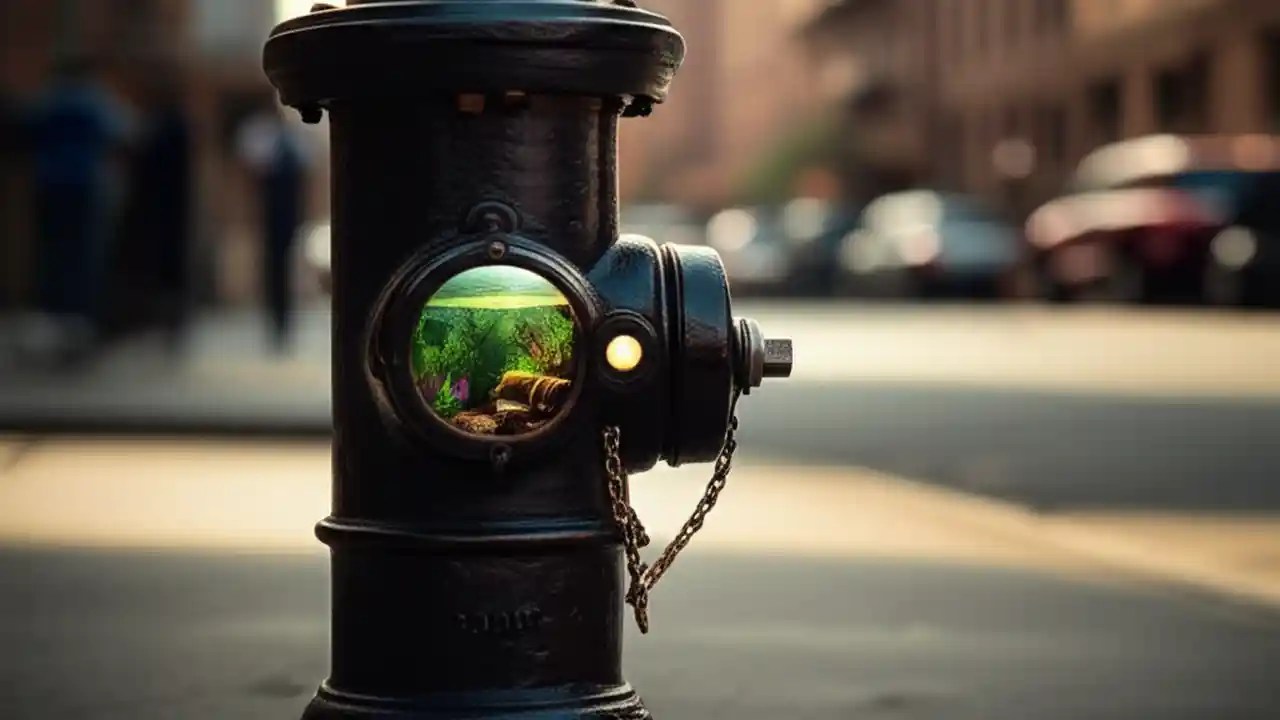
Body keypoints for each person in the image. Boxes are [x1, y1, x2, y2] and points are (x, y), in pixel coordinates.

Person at [27, 56, 130, 362]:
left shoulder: (49, 100)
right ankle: (77, 322)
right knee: (81, 254)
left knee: (51, 252)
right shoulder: (93, 101)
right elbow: (121, 132)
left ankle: (52, 319)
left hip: (49, 184)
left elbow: (28, 130)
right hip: (84, 186)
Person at [117, 77, 192, 351]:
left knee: (161, 265)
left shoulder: (162, 126)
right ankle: (161, 320)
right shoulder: (169, 124)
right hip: (167, 207)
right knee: (165, 265)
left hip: (160, 206)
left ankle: (161, 320)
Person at [237, 102, 310, 353]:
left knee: (284, 271)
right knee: (272, 271)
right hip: (272, 220)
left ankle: (284, 322)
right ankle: (275, 323)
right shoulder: (266, 144)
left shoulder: (295, 146)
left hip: (289, 220)